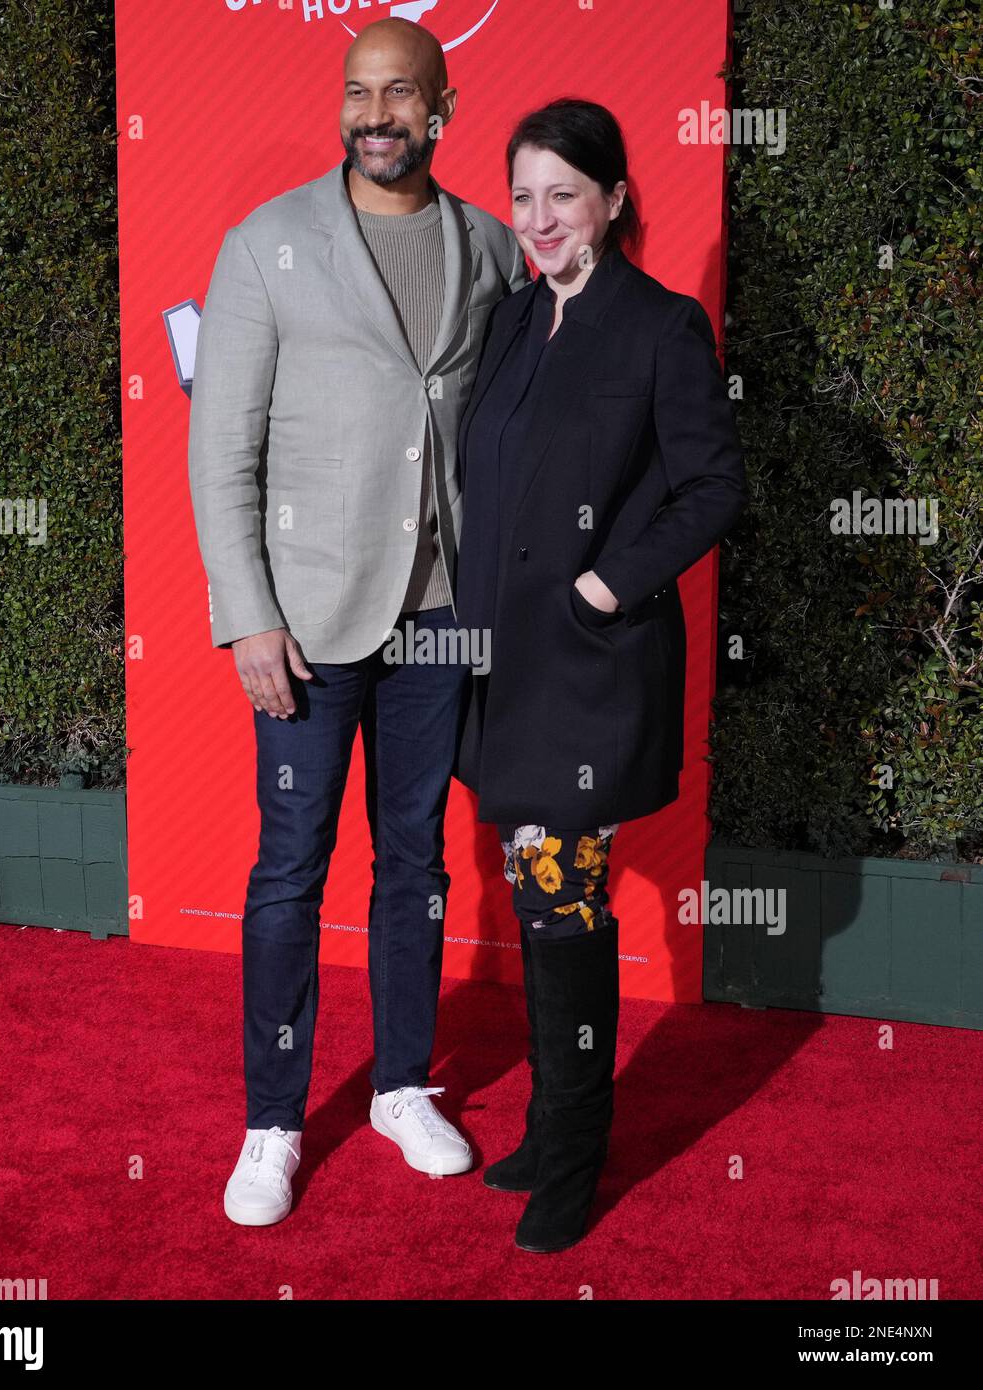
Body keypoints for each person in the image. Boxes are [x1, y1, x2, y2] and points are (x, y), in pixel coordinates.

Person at [187, 18, 529, 1226]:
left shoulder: (490, 250)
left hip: (440, 621)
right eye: (357, 91)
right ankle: (272, 1122)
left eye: (399, 93)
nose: (375, 112)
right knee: (289, 872)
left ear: (442, 105)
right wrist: (249, 619)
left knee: (418, 865)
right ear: (341, 105)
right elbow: (220, 448)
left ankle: (399, 1085)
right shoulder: (267, 246)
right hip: (308, 623)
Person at [454, 98, 748, 1253]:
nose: (537, 219)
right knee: (543, 907)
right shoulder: (514, 321)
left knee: (564, 908)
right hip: (501, 671)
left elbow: (710, 488)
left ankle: (573, 1156)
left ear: (613, 201)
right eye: (521, 196)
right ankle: (548, 1124)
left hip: (584, 670)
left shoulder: (663, 327)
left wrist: (604, 585)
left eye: (560, 196)